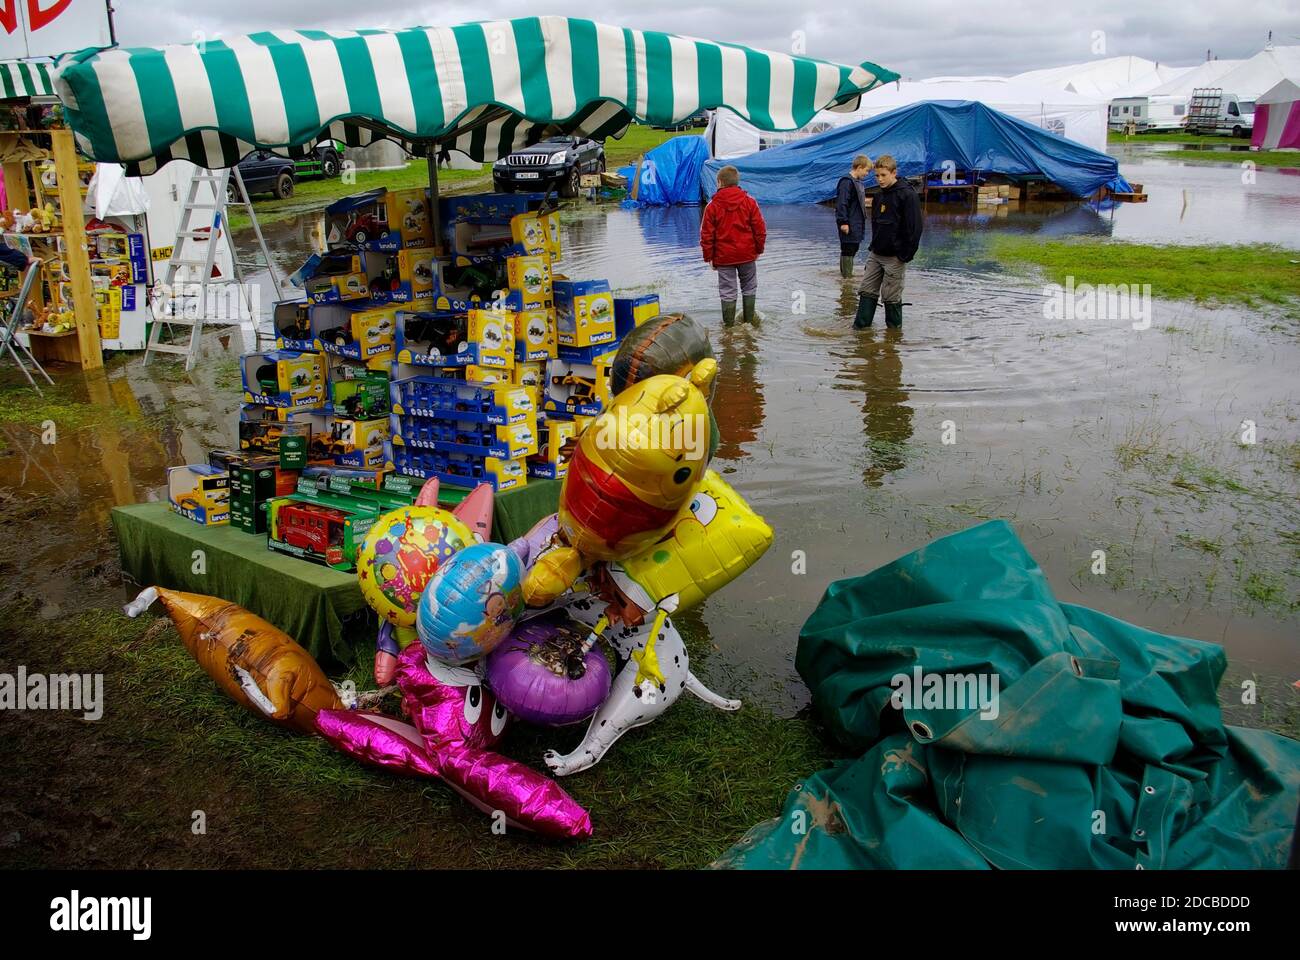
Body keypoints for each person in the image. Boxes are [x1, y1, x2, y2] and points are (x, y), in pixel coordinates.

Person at [856, 155, 922, 329]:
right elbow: (876, 224)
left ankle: (893, 338)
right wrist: (873, 246)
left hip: (895, 257)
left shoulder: (907, 195)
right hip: (876, 253)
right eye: (877, 176)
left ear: (894, 173)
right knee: (866, 290)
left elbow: (914, 229)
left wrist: (905, 255)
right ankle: (860, 331)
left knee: (891, 297)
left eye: (883, 175)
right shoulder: (878, 196)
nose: (880, 179)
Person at [700, 165, 766, 326]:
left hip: (723, 257)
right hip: (747, 254)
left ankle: (729, 329)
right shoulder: (750, 202)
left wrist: (709, 257)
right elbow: (760, 229)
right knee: (749, 287)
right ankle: (748, 323)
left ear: (720, 182)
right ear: (737, 182)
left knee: (727, 291)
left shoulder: (712, 206)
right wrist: (758, 250)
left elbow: (706, 235)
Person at [835, 154, 872, 277]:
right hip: (849, 223)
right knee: (848, 249)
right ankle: (847, 279)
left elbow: (855, 201)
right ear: (859, 167)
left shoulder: (857, 182)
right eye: (866, 170)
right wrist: (843, 222)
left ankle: (845, 276)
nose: (867, 174)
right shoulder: (846, 182)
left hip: (856, 223)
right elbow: (842, 203)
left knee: (852, 248)